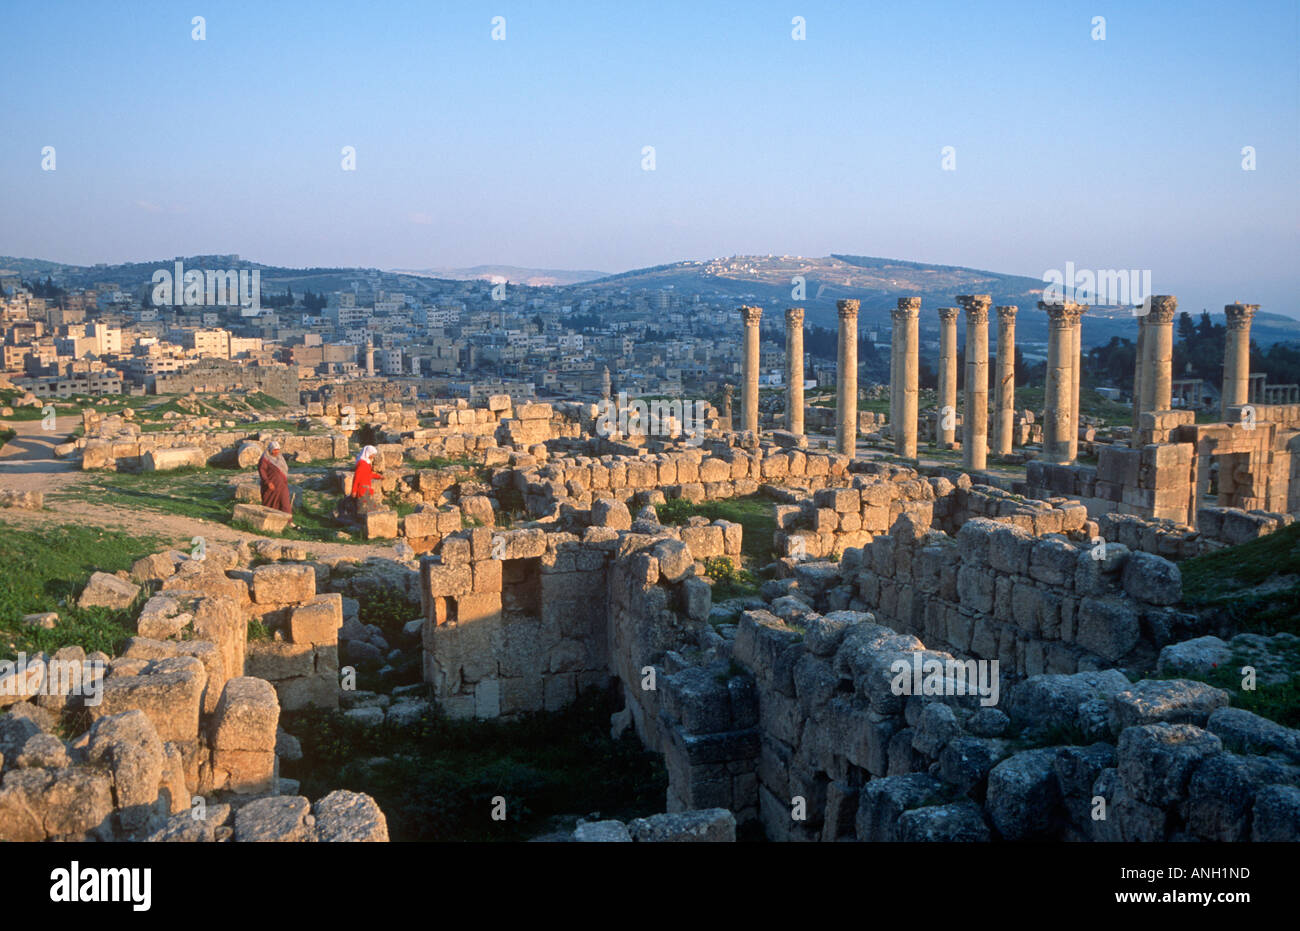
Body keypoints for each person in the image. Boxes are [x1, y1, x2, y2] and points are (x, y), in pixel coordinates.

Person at [344, 444, 383, 521]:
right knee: (363, 508)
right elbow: (356, 478)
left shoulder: (366, 463)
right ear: (368, 453)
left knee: (368, 507)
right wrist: (354, 491)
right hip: (362, 490)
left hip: (366, 489)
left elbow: (368, 474)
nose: (373, 456)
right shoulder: (362, 464)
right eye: (372, 454)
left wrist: (379, 477)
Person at [257, 440, 292, 517]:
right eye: (274, 450)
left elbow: (284, 469)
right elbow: (262, 471)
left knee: (285, 503)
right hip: (271, 486)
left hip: (282, 485)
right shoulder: (265, 459)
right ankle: (270, 520)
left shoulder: (280, 457)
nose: (276, 452)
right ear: (270, 449)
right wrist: (268, 482)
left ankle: (288, 521)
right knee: (270, 503)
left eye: (277, 450)